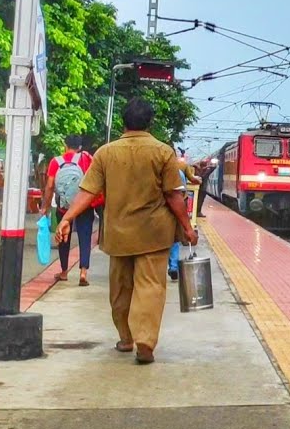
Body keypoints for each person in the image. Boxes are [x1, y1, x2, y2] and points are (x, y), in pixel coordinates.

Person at [57, 99, 196, 365]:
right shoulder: (162, 152)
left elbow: (88, 191)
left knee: (121, 289)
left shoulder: (106, 153)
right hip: (154, 234)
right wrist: (188, 228)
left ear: (124, 121)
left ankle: (126, 337)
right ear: (150, 122)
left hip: (119, 233)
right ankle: (145, 342)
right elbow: (173, 196)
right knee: (150, 287)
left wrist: (68, 218)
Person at [43, 135, 99, 285]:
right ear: (80, 147)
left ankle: (63, 272)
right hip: (83, 205)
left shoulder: (56, 161)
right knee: (85, 237)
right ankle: (83, 273)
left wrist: (46, 206)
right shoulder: (85, 159)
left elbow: (49, 186)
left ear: (64, 145)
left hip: (63, 206)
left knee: (63, 237)